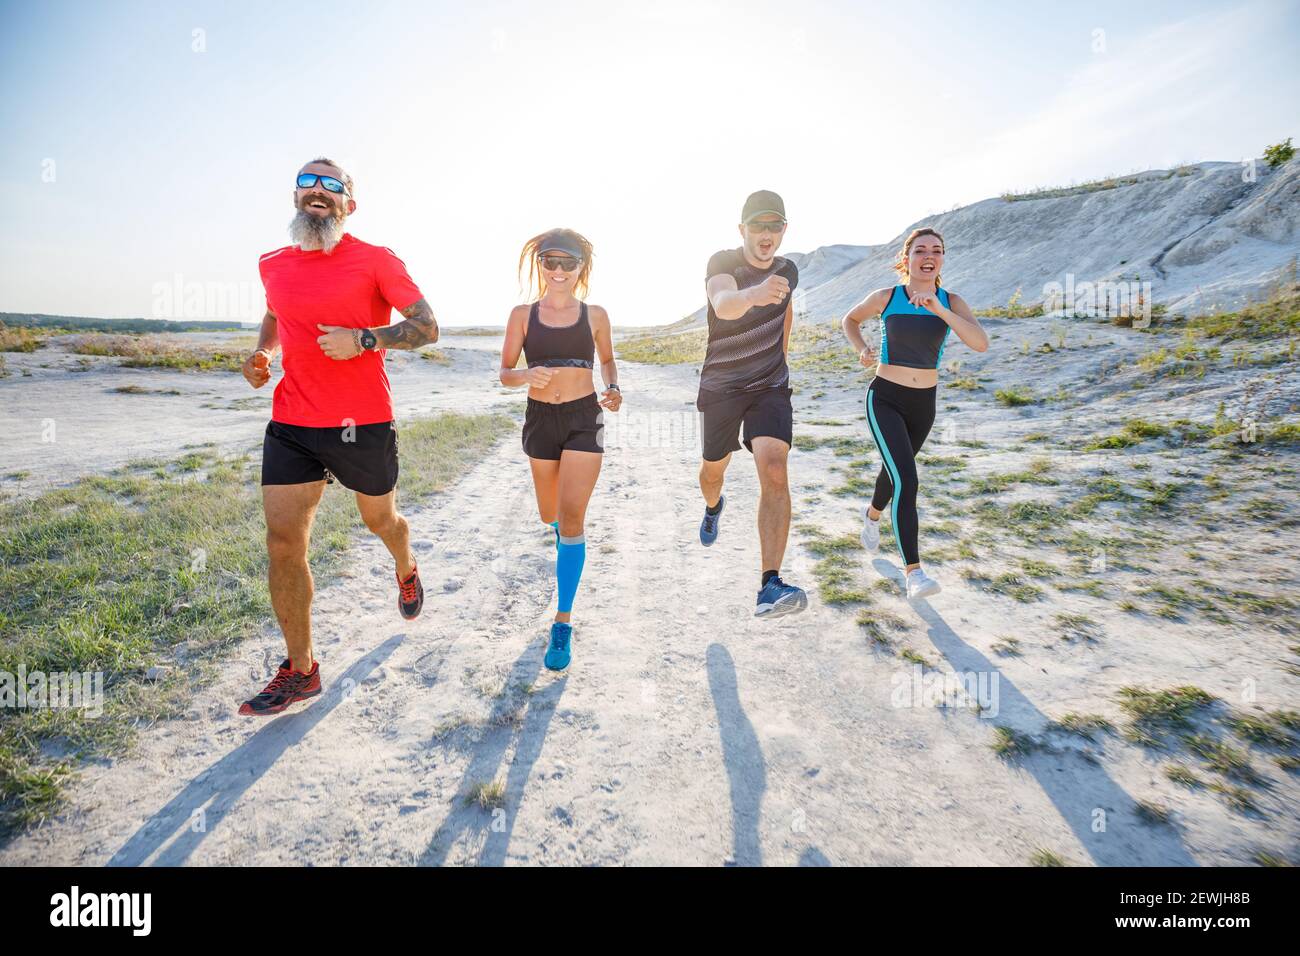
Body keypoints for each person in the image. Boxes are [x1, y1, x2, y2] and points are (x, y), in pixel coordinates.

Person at [237, 157, 440, 715]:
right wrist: (262, 353)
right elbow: (277, 316)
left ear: (350, 202)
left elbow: (427, 326)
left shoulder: (375, 259)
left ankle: (405, 565)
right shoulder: (272, 263)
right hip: (294, 424)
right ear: (295, 197)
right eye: (308, 181)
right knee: (283, 543)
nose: (318, 190)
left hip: (362, 423)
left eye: (332, 184)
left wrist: (366, 339)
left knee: (381, 522)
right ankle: (301, 670)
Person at [840, 227, 988, 599]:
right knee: (908, 479)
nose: (929, 255)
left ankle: (872, 516)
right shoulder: (887, 296)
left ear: (941, 259)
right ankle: (914, 573)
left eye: (937, 250)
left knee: (894, 474)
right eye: (920, 249)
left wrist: (939, 308)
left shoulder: (952, 300)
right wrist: (861, 348)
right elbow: (850, 320)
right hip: (885, 397)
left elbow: (980, 343)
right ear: (905, 259)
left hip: (924, 404)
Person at [498, 229, 621, 672]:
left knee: (571, 519)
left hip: (584, 419)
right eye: (550, 261)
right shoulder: (522, 315)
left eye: (568, 262)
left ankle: (562, 621)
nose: (558, 270)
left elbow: (606, 361)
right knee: (549, 514)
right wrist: (527, 376)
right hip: (540, 422)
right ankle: (562, 537)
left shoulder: (595, 315)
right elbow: (505, 373)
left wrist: (613, 387)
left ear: (581, 268)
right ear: (540, 265)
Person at [698, 190, 807, 618]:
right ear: (741, 229)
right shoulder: (722, 263)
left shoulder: (788, 270)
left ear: (784, 229)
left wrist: (780, 358)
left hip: (769, 385)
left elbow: (786, 314)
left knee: (775, 469)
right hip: (722, 386)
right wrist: (754, 294)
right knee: (713, 471)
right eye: (758, 225)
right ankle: (713, 507)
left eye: (774, 225)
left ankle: (770, 585)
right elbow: (723, 305)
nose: (767, 233)